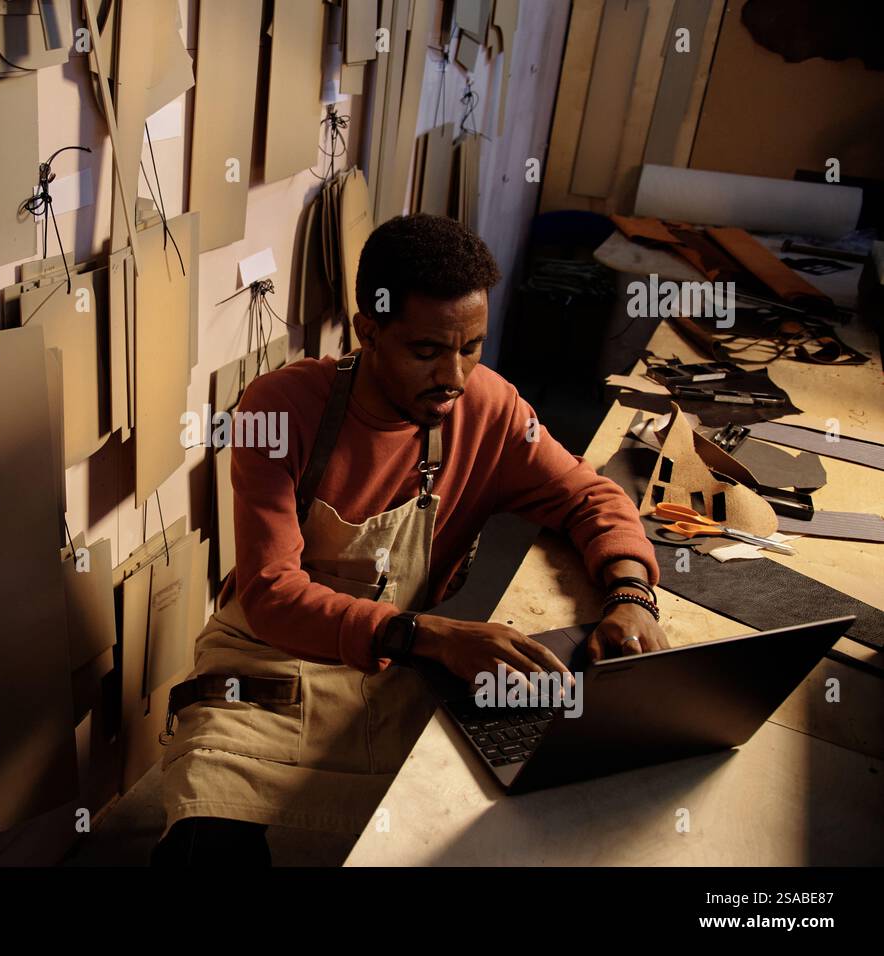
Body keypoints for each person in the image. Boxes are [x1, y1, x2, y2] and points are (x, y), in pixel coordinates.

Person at [151, 214, 666, 866]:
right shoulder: (278, 408)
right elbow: (272, 594)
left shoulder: (491, 410)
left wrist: (630, 591)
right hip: (268, 656)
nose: (454, 375)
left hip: (393, 668)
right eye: (427, 351)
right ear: (369, 331)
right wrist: (431, 636)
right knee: (203, 841)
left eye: (472, 346)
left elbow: (592, 497)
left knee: (474, 822)